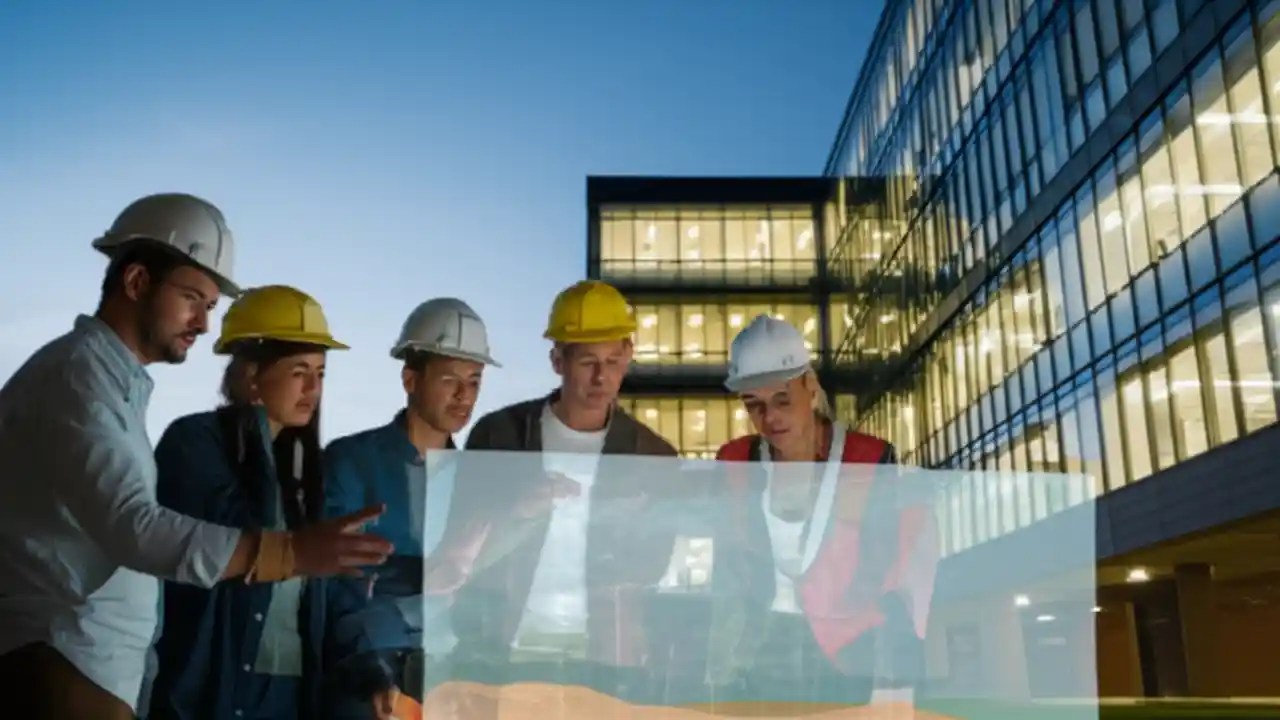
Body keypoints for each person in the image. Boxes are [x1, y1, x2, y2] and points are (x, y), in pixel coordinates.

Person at [0, 194, 392, 720]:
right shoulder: (80, 381)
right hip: (64, 651)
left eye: (210, 307)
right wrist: (290, 553)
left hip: (95, 661)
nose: (203, 324)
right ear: (137, 283)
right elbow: (136, 528)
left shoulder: (109, 388)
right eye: (192, 298)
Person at [445, 279, 679, 700]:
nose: (601, 376)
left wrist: (624, 529)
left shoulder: (654, 456)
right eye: (588, 361)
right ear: (558, 360)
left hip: (603, 656)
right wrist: (517, 512)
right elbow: (460, 549)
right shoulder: (500, 437)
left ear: (628, 356)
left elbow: (653, 568)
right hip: (503, 651)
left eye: (613, 359)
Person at [146, 285, 359, 719]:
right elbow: (231, 535)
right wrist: (257, 427)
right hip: (211, 687)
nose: (314, 388)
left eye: (321, 373)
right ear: (250, 375)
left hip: (289, 687)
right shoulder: (193, 441)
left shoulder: (308, 468)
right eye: (300, 371)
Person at [706, 313, 936, 711]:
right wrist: (719, 663)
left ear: (809, 388)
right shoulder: (735, 463)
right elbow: (727, 570)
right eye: (754, 405)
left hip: (846, 652)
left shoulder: (868, 458)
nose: (770, 418)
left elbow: (890, 567)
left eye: (782, 400)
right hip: (760, 655)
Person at [321, 297, 501, 719]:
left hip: (451, 685)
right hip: (367, 685)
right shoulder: (351, 461)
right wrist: (373, 677)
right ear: (410, 379)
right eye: (450, 380)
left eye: (474, 382)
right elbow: (334, 590)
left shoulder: (479, 480)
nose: (464, 396)